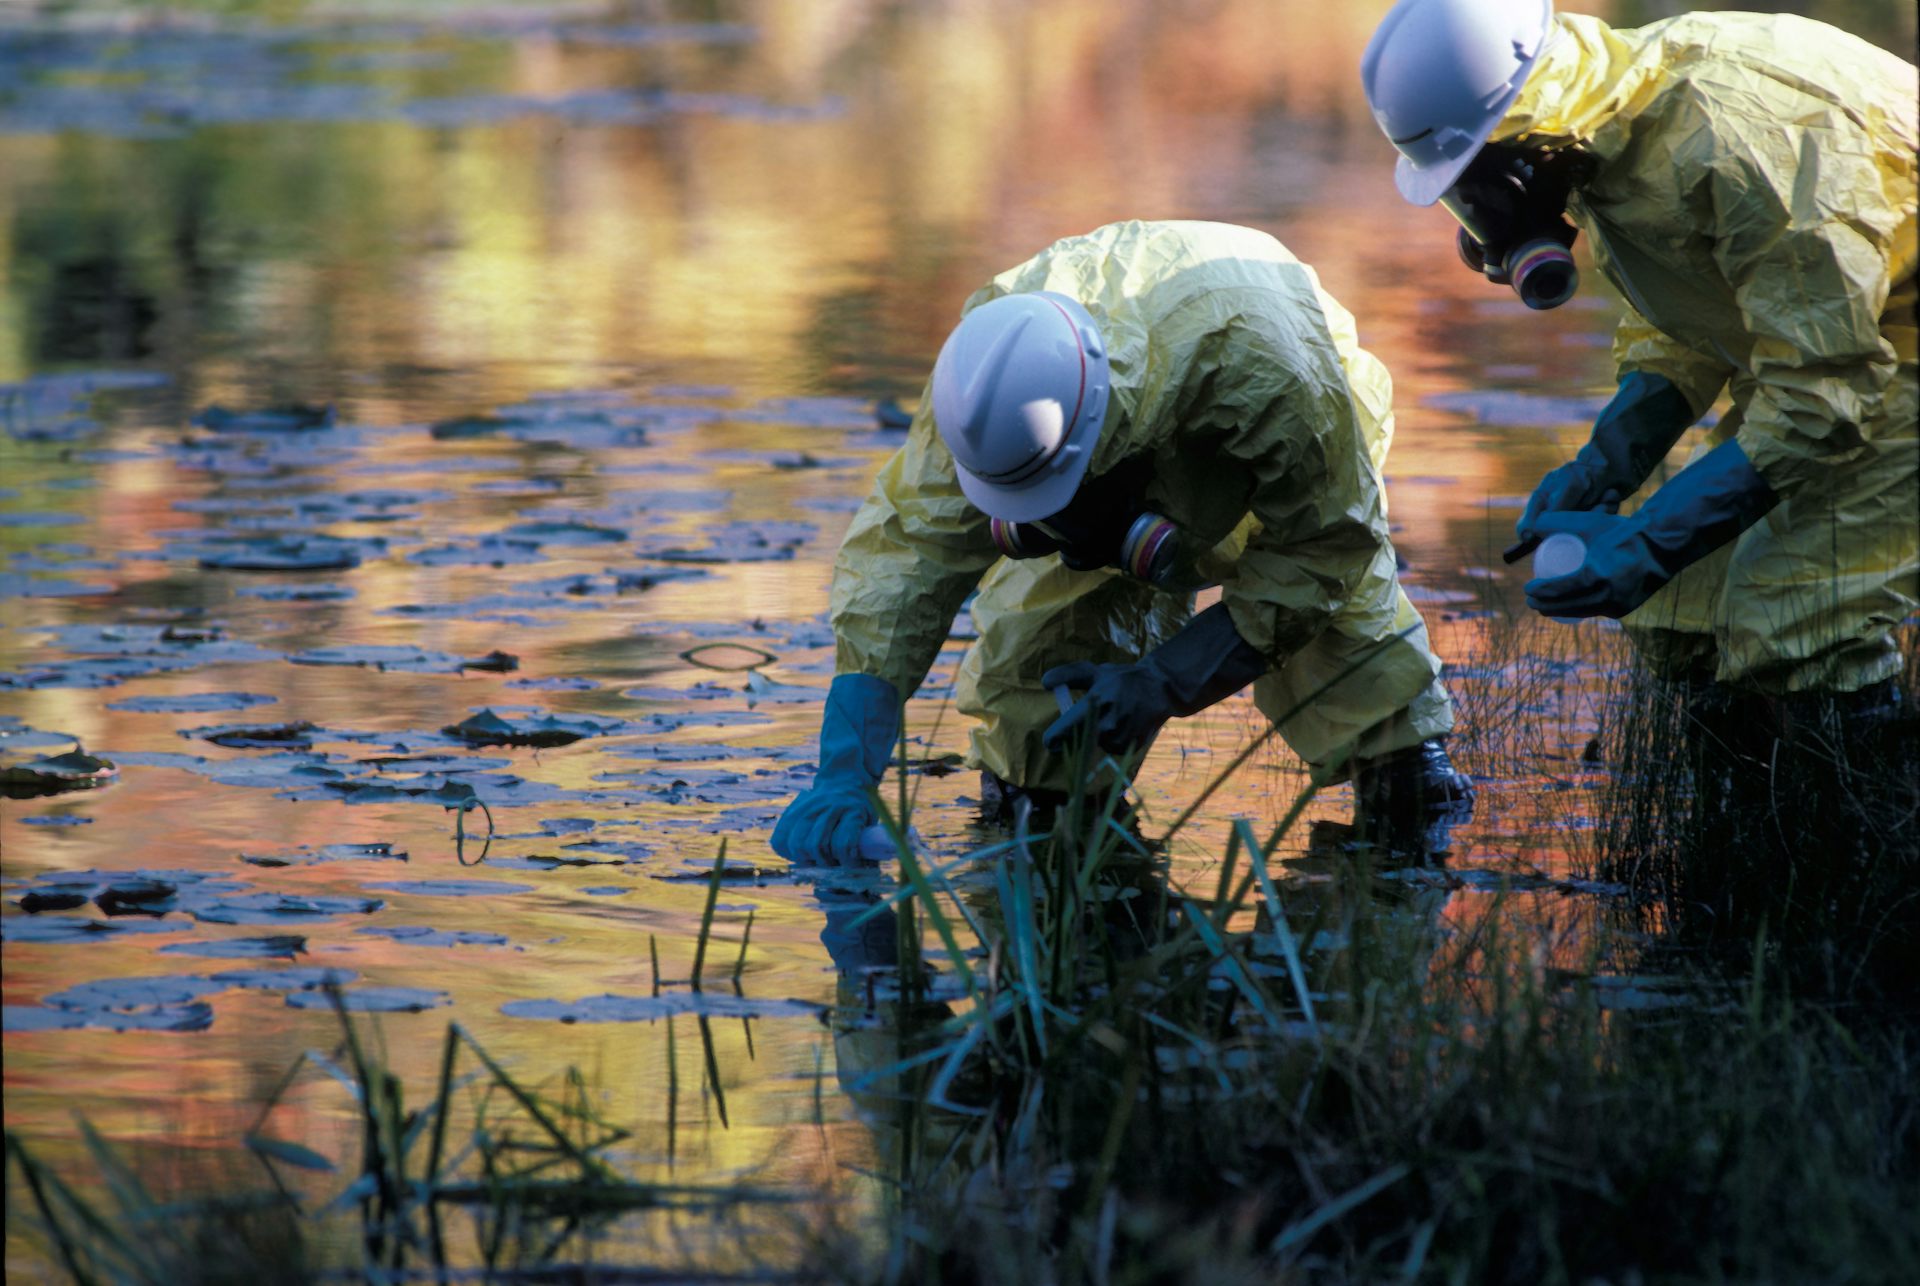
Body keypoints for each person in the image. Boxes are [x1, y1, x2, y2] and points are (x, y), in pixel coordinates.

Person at [770, 220, 1472, 865]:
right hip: (1129, 423)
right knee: (1038, 722)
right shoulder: (982, 388)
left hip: (1270, 432)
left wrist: (1162, 683)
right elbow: (905, 557)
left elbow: (1321, 551)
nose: (1068, 547)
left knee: (1359, 669)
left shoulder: (1277, 381)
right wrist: (844, 771)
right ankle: (1071, 929)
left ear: (1099, 442)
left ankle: (1401, 838)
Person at [1361, 0, 1917, 708]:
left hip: (1881, 348)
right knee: (1682, 609)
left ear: (1522, 145)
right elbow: (1687, 322)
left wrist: (1653, 538)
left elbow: (1822, 391)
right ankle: (1734, 810)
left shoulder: (1736, 139)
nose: (1484, 228)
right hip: (1838, 343)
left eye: (1478, 191)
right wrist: (1607, 465)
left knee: (1795, 619)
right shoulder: (1602, 137)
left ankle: (1857, 808)